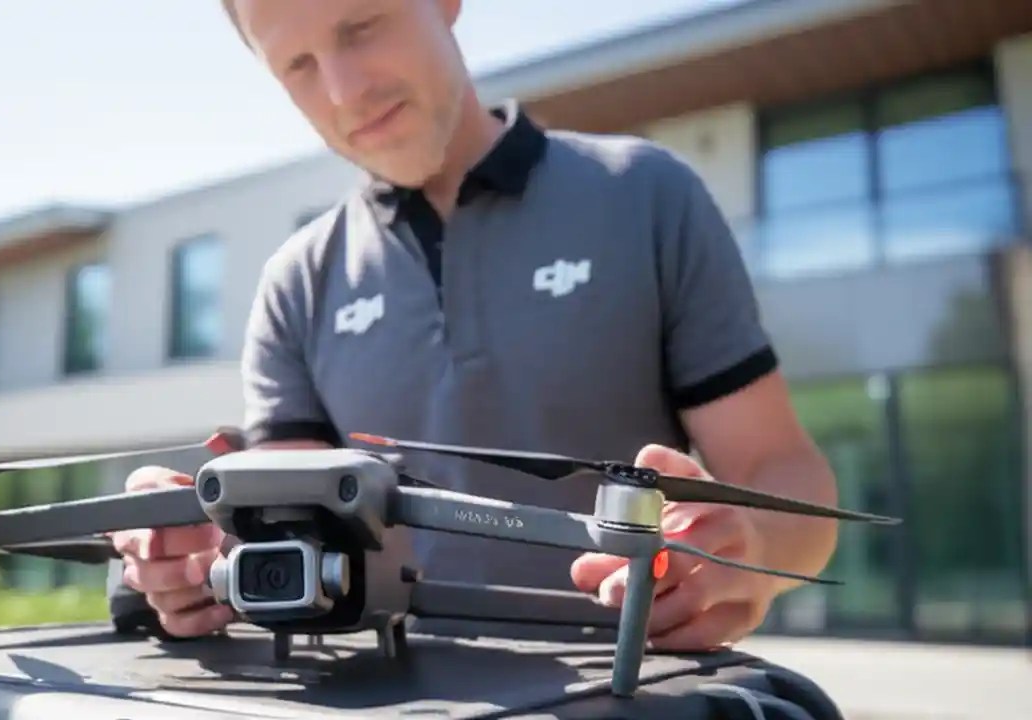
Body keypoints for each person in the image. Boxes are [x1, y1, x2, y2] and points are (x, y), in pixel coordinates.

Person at [109, 0, 839, 652]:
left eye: (361, 26)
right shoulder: (296, 281)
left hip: (626, 688)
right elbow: (287, 524)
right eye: (297, 65)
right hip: (386, 695)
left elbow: (781, 473)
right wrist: (192, 544)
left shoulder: (647, 197)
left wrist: (744, 548)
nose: (342, 90)